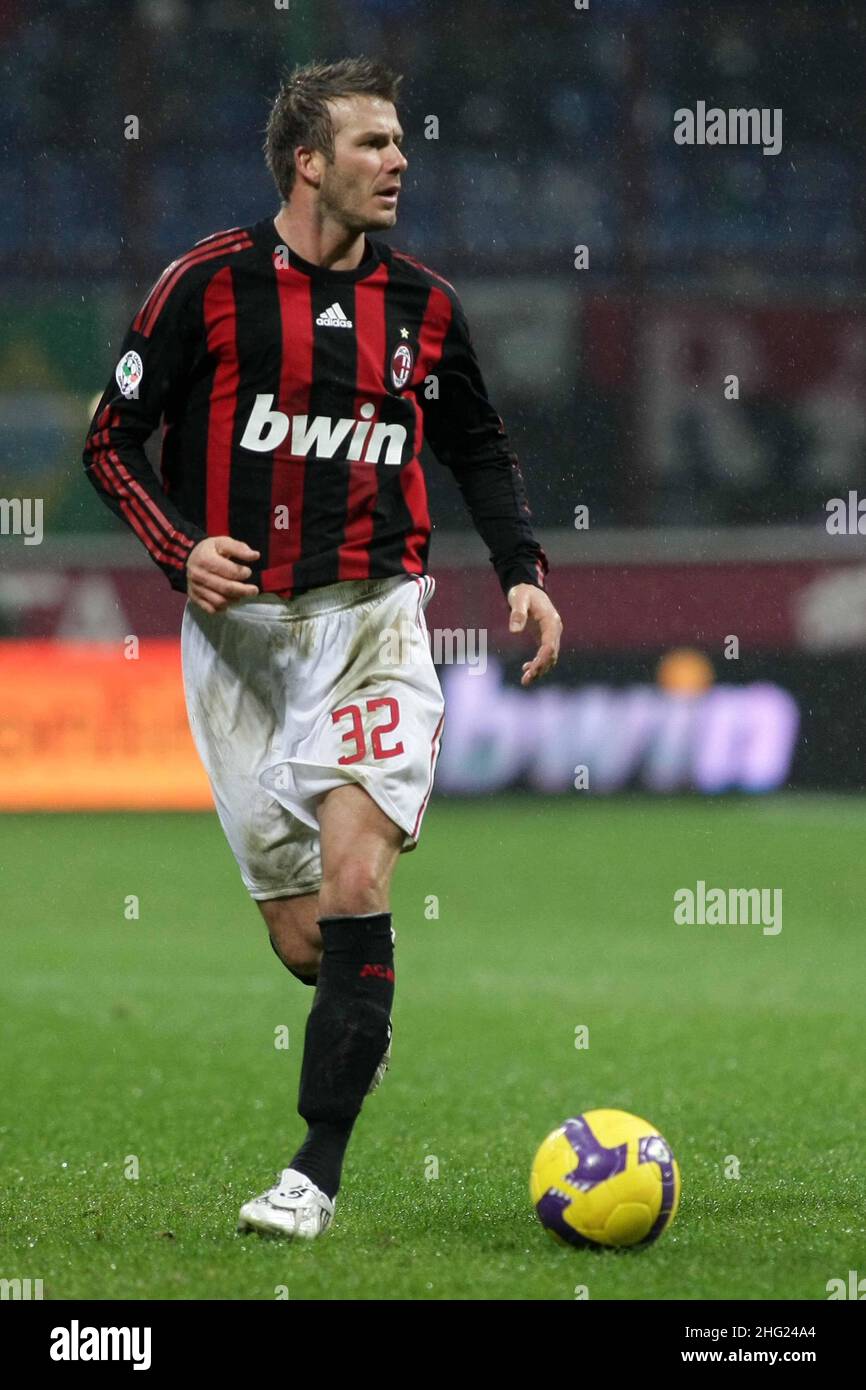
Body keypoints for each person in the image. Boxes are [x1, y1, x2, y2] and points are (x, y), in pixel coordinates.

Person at [83, 56, 562, 1240]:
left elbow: (478, 446)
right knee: (311, 942)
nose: (398, 160)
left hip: (372, 624)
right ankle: (359, 1013)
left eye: (400, 142)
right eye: (371, 144)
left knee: (356, 885)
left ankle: (313, 1171)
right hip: (237, 645)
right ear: (306, 160)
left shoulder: (426, 307)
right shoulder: (204, 286)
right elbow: (109, 442)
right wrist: (178, 547)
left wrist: (521, 572)